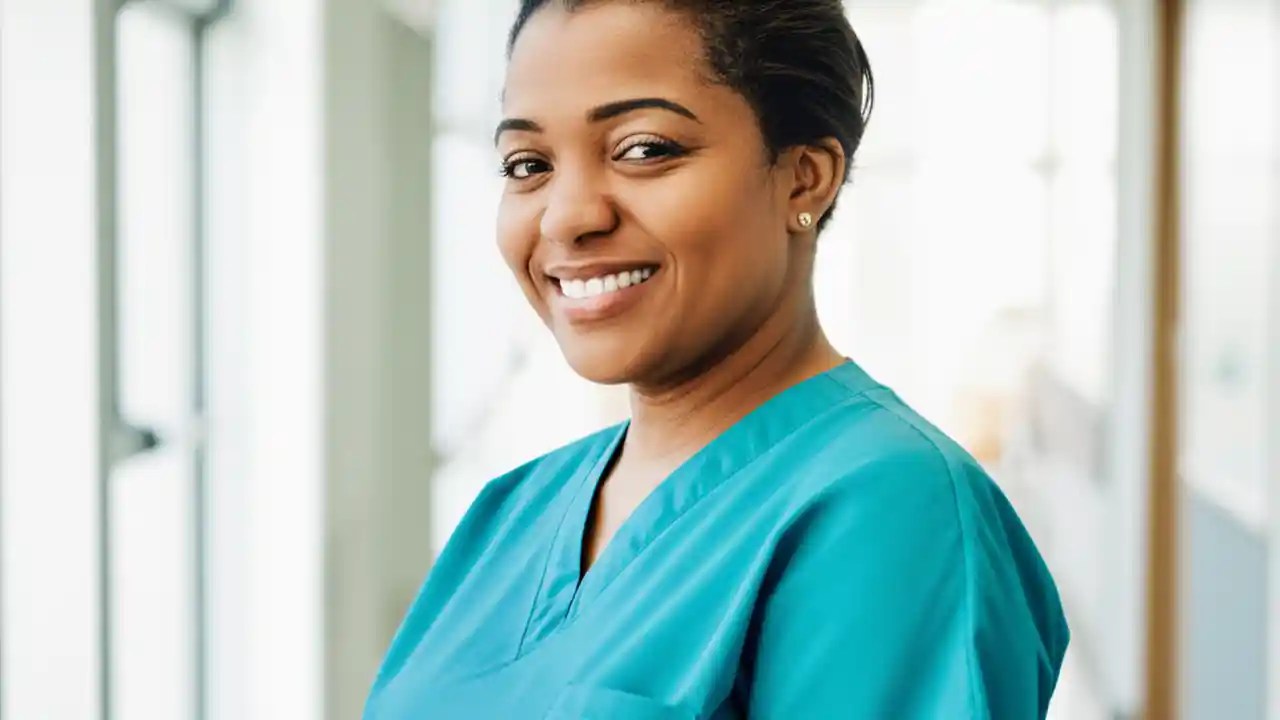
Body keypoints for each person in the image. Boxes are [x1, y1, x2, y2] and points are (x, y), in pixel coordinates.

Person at [364, 1, 1069, 717]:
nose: (568, 216)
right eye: (528, 164)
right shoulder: (511, 514)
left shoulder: (892, 511)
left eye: (644, 149)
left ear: (804, 177)